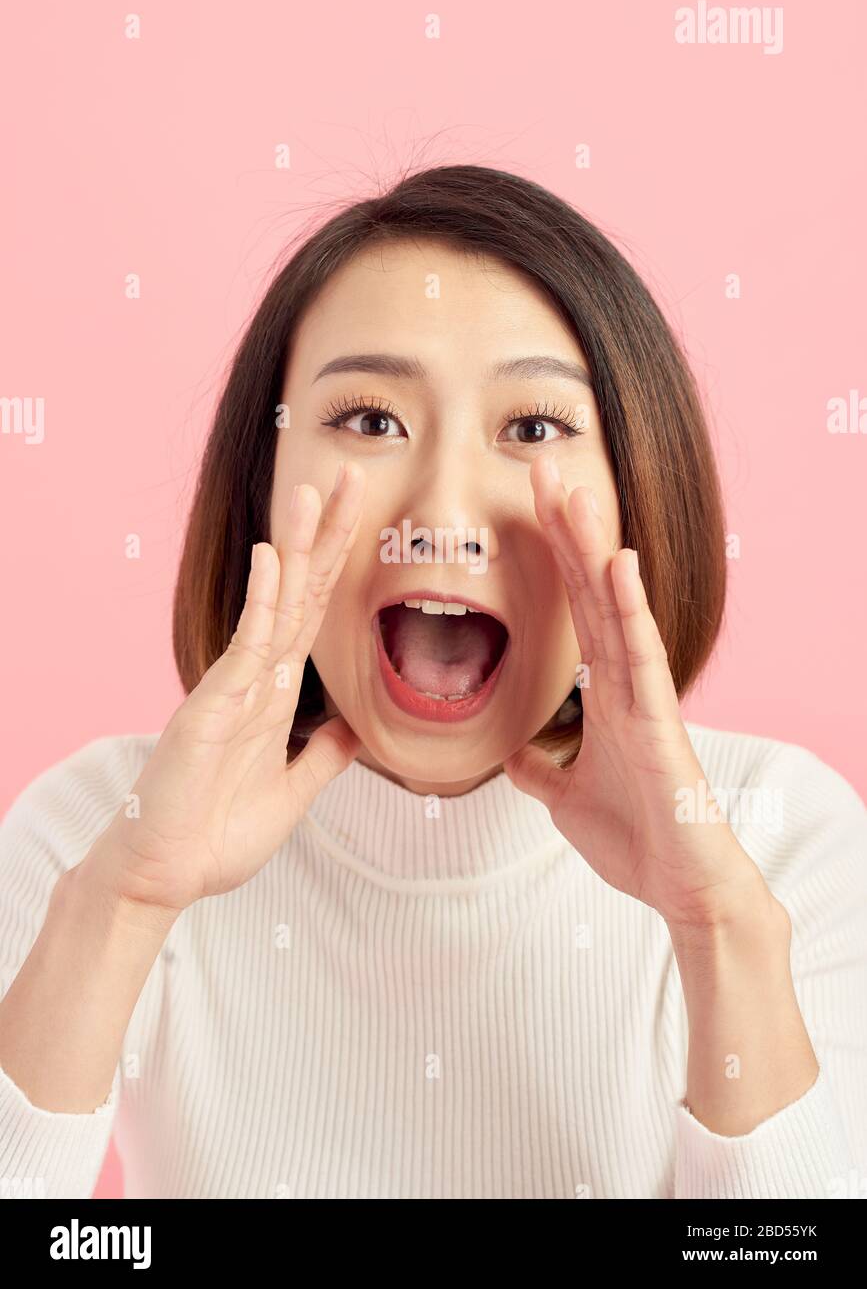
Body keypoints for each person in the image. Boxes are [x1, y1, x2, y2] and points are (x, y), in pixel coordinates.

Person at [1, 165, 865, 1200]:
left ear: (640, 495)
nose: (444, 509)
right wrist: (125, 901)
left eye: (534, 428)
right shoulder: (96, 832)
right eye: (369, 420)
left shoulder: (784, 841)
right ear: (262, 490)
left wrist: (716, 930)